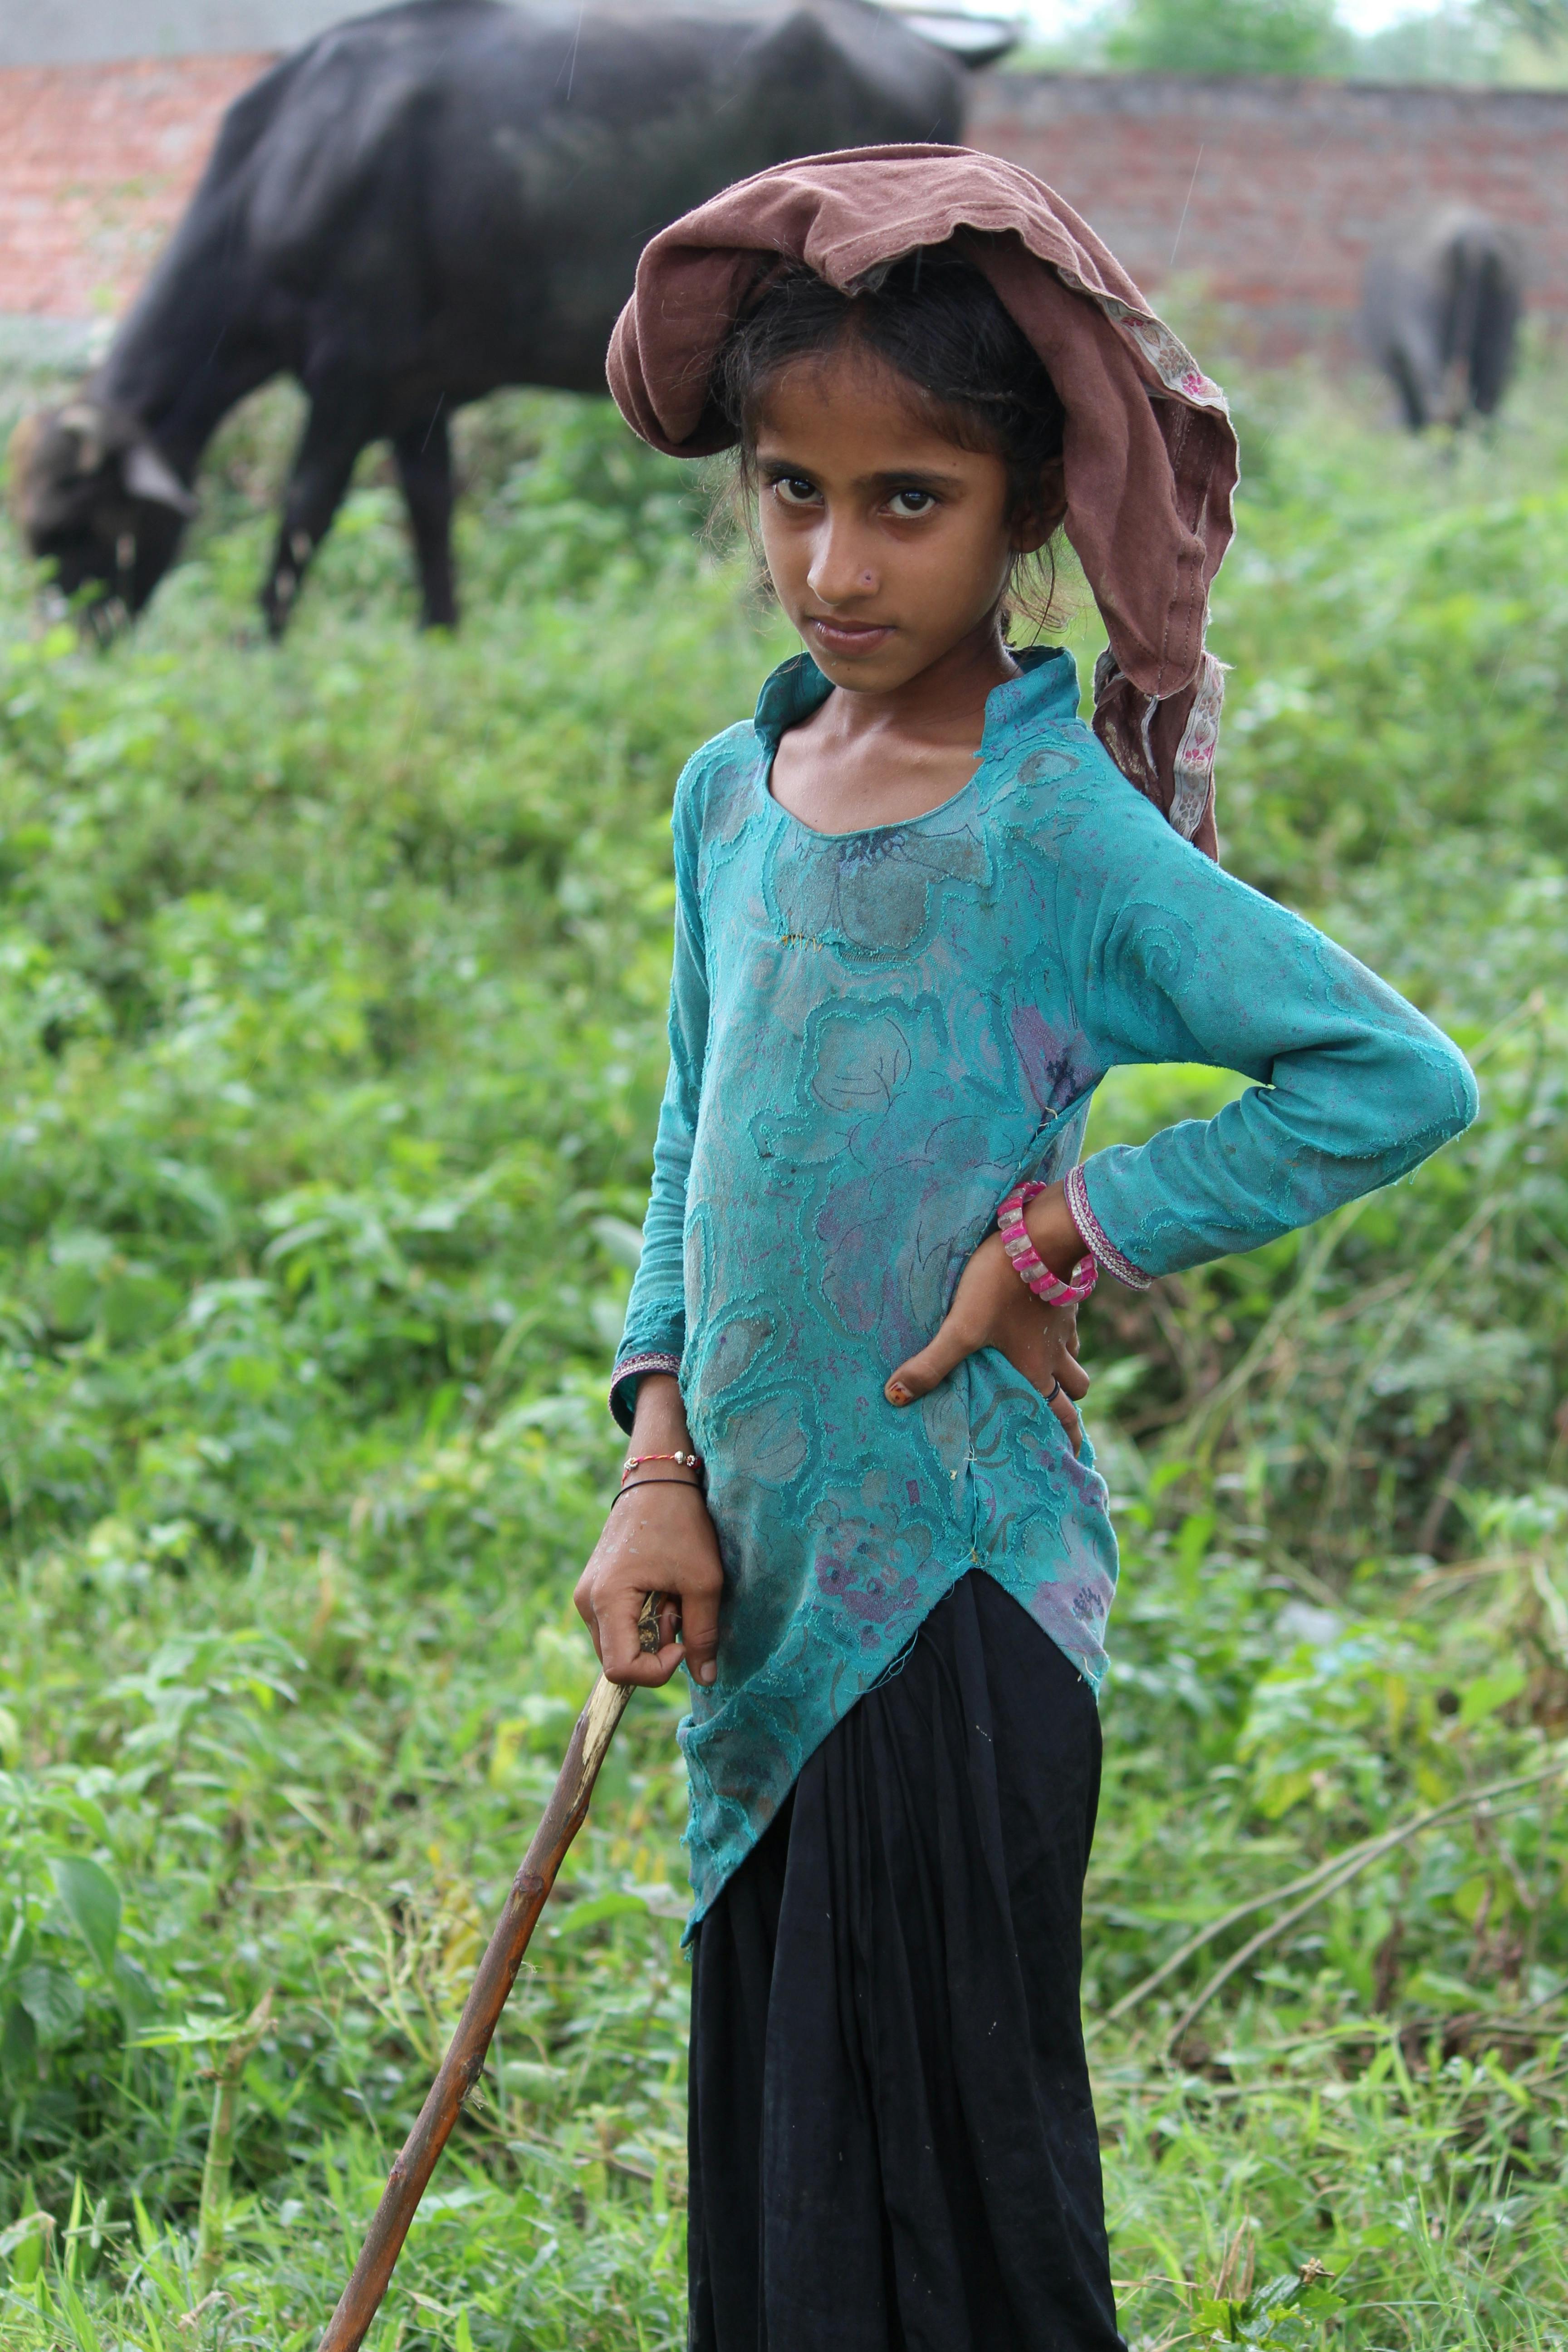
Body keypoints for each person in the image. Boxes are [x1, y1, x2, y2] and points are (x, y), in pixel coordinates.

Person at [572, 149, 1478, 2352]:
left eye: (910, 501)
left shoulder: (1051, 824)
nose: (833, 557)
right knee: (785, 2176)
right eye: (794, 488)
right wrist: (657, 1461)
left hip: (956, 1592)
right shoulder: (735, 793)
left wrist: (1078, 1223)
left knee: (958, 2178)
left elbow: (1390, 1077)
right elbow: (697, 1128)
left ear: (1025, 514)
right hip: (760, 1586)